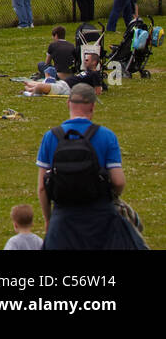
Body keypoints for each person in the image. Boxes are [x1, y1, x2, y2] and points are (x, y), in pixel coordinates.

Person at [36, 83, 146, 249]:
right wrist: (113, 198)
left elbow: (42, 188)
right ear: (93, 106)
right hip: (100, 216)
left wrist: (48, 219)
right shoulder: (106, 136)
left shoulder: (51, 137)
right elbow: (118, 181)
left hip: (63, 219)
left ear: (68, 104)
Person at [23, 48, 104, 96]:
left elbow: (98, 91)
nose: (85, 61)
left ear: (94, 62)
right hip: (63, 83)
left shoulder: (95, 74)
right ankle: (30, 89)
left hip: (66, 88)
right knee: (31, 84)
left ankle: (31, 92)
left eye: (87, 60)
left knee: (39, 86)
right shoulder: (88, 71)